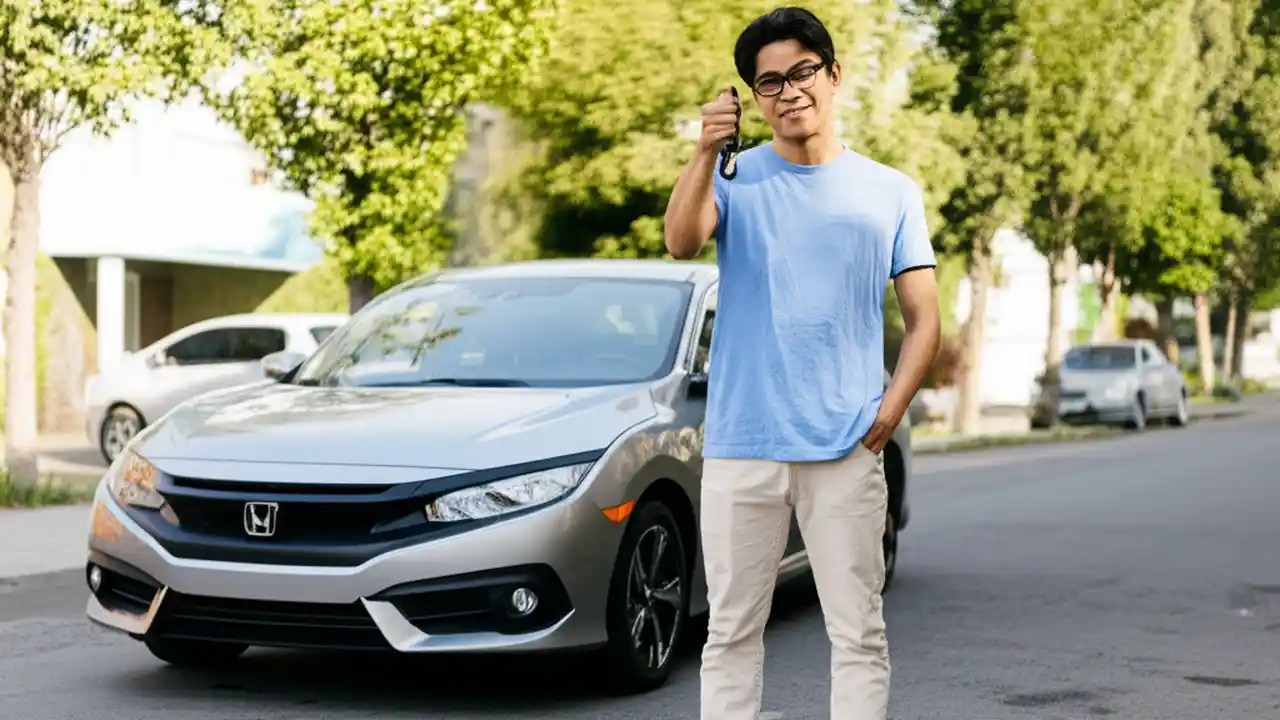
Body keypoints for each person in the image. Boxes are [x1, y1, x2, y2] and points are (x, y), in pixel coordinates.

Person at [662, 6, 941, 720]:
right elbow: (681, 242)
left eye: (801, 73)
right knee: (729, 635)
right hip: (741, 447)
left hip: (845, 448)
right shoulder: (731, 177)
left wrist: (887, 414)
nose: (788, 92)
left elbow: (925, 322)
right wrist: (702, 153)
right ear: (752, 98)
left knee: (857, 635)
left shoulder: (891, 191)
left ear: (833, 74)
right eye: (768, 83)